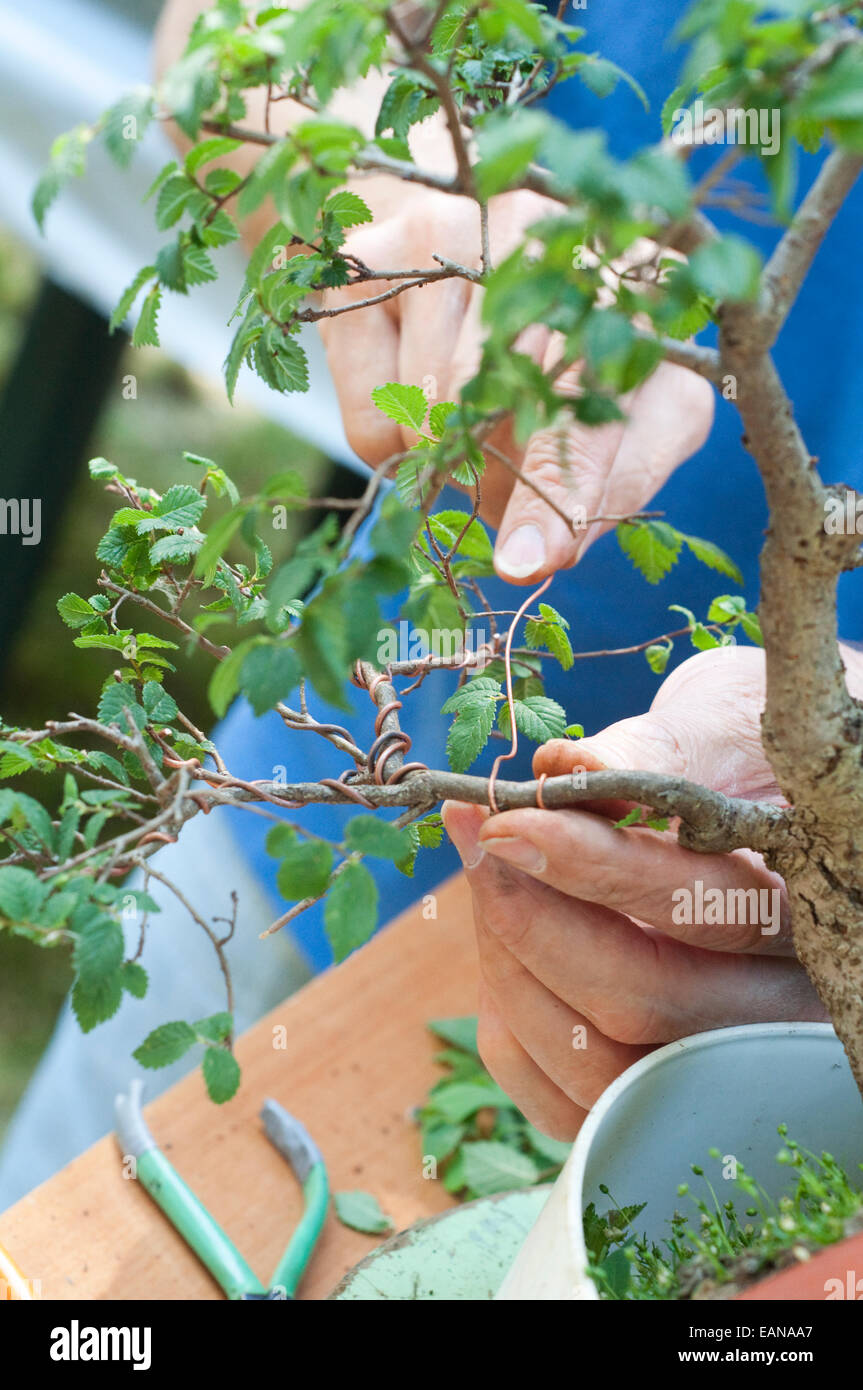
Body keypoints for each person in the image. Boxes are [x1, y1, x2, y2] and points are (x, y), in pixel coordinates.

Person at [1, 0, 860, 1205]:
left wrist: (841, 767)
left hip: (786, 1066)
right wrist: (378, 206)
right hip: (312, 835)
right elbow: (232, 34)